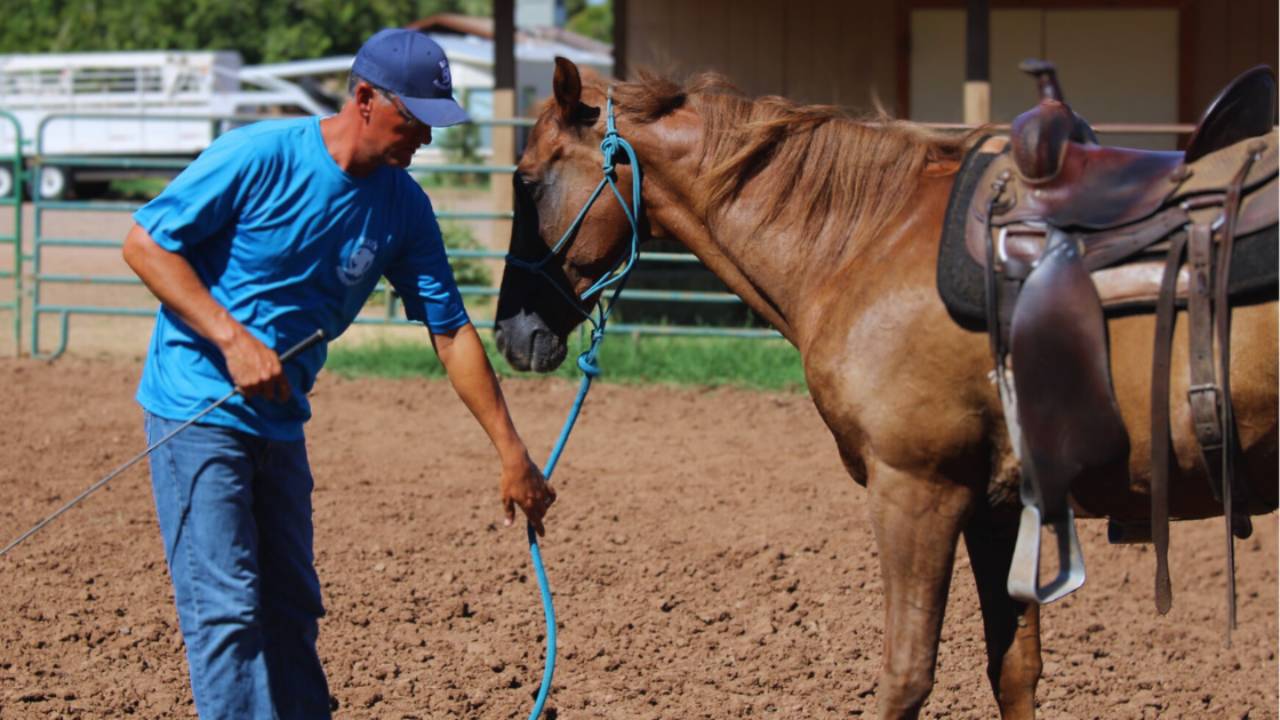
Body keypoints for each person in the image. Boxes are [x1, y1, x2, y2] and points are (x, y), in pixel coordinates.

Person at [121, 28, 555, 719]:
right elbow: (145, 244)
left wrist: (511, 451)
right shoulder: (259, 155)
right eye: (414, 121)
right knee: (228, 610)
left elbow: (450, 331)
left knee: (291, 603)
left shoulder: (404, 207)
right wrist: (232, 339)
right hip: (198, 406)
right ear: (363, 99)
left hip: (281, 417)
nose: (426, 142)